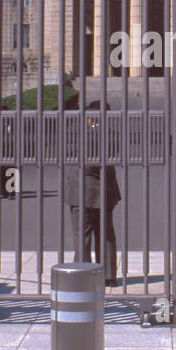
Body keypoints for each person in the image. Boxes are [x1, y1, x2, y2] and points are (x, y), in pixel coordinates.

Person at [64, 100, 121, 285]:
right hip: (106, 191)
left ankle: (84, 275)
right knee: (106, 233)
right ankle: (108, 275)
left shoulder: (79, 136)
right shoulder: (113, 136)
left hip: (82, 191)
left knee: (82, 235)